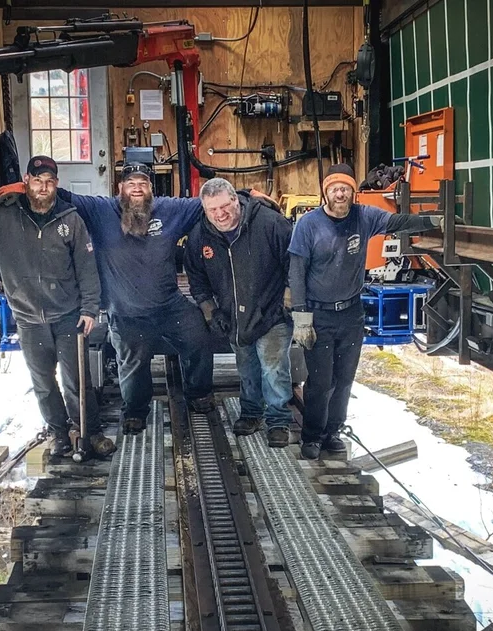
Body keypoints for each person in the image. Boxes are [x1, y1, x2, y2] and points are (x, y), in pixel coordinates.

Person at [0, 156, 115, 458]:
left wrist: (89, 309)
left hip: (69, 316)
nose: (44, 188)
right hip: (29, 318)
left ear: (56, 185)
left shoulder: (71, 220)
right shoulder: (3, 218)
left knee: (76, 381)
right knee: (42, 382)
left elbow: (87, 267)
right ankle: (58, 434)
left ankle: (90, 433)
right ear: (26, 181)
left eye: (50, 182)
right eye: (38, 181)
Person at [288, 163, 443, 460]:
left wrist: (431, 221)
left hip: (351, 314)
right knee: (321, 381)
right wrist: (301, 317)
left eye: (345, 188)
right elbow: (296, 272)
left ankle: (333, 431)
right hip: (318, 315)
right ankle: (312, 436)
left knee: (344, 378)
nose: (340, 193)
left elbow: (396, 222)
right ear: (326, 193)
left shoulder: (365, 217)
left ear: (352, 192)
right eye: (334, 188)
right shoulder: (308, 224)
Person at [56, 163, 217, 433]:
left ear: (151, 188)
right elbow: (62, 197)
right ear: (120, 188)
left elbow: (212, 200)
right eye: (131, 183)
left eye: (143, 183)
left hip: (170, 305)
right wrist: (23, 188)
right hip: (126, 311)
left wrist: (249, 194)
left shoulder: (169, 209)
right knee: (133, 362)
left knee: (198, 336)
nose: (137, 188)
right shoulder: (101, 211)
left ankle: (198, 393)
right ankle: (135, 410)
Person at [184, 178, 294, 447]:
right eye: (212, 209)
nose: (220, 214)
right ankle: (252, 413)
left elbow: (295, 263)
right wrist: (211, 311)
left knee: (273, 369)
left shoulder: (271, 224)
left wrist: (288, 300)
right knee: (247, 367)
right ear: (204, 209)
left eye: (225, 206)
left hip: (271, 312)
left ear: (236, 200)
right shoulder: (200, 236)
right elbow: (196, 278)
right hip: (233, 315)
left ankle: (278, 420)